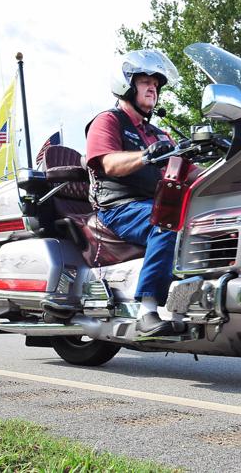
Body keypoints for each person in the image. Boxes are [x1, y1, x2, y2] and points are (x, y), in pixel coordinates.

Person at [85, 49, 183, 336]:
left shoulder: (159, 133)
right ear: (126, 84)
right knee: (166, 222)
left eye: (156, 82)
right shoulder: (109, 121)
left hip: (153, 203)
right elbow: (107, 163)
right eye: (145, 81)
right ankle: (148, 312)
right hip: (119, 207)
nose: (153, 86)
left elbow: (187, 171)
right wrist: (146, 156)